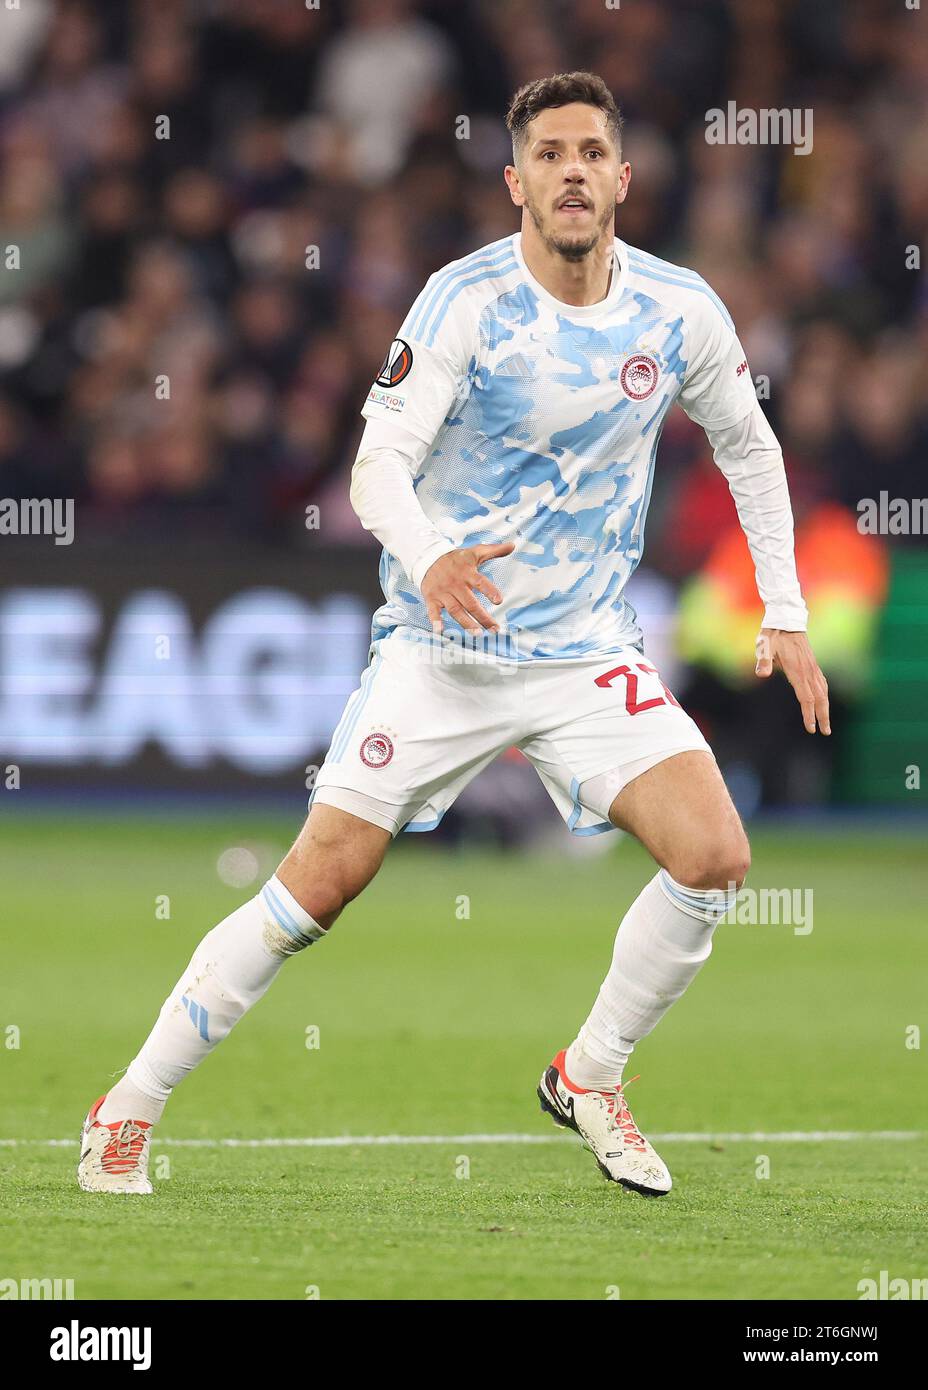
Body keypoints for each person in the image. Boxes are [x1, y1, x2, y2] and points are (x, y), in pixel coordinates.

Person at [78, 71, 829, 1198]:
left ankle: (589, 1074)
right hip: (442, 647)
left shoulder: (679, 311)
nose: (571, 170)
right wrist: (431, 559)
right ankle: (128, 1106)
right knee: (315, 888)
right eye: (549, 154)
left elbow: (752, 450)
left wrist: (785, 609)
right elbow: (377, 462)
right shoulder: (463, 300)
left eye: (590, 152)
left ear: (621, 177)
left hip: (584, 654)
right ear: (516, 179)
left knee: (716, 854)